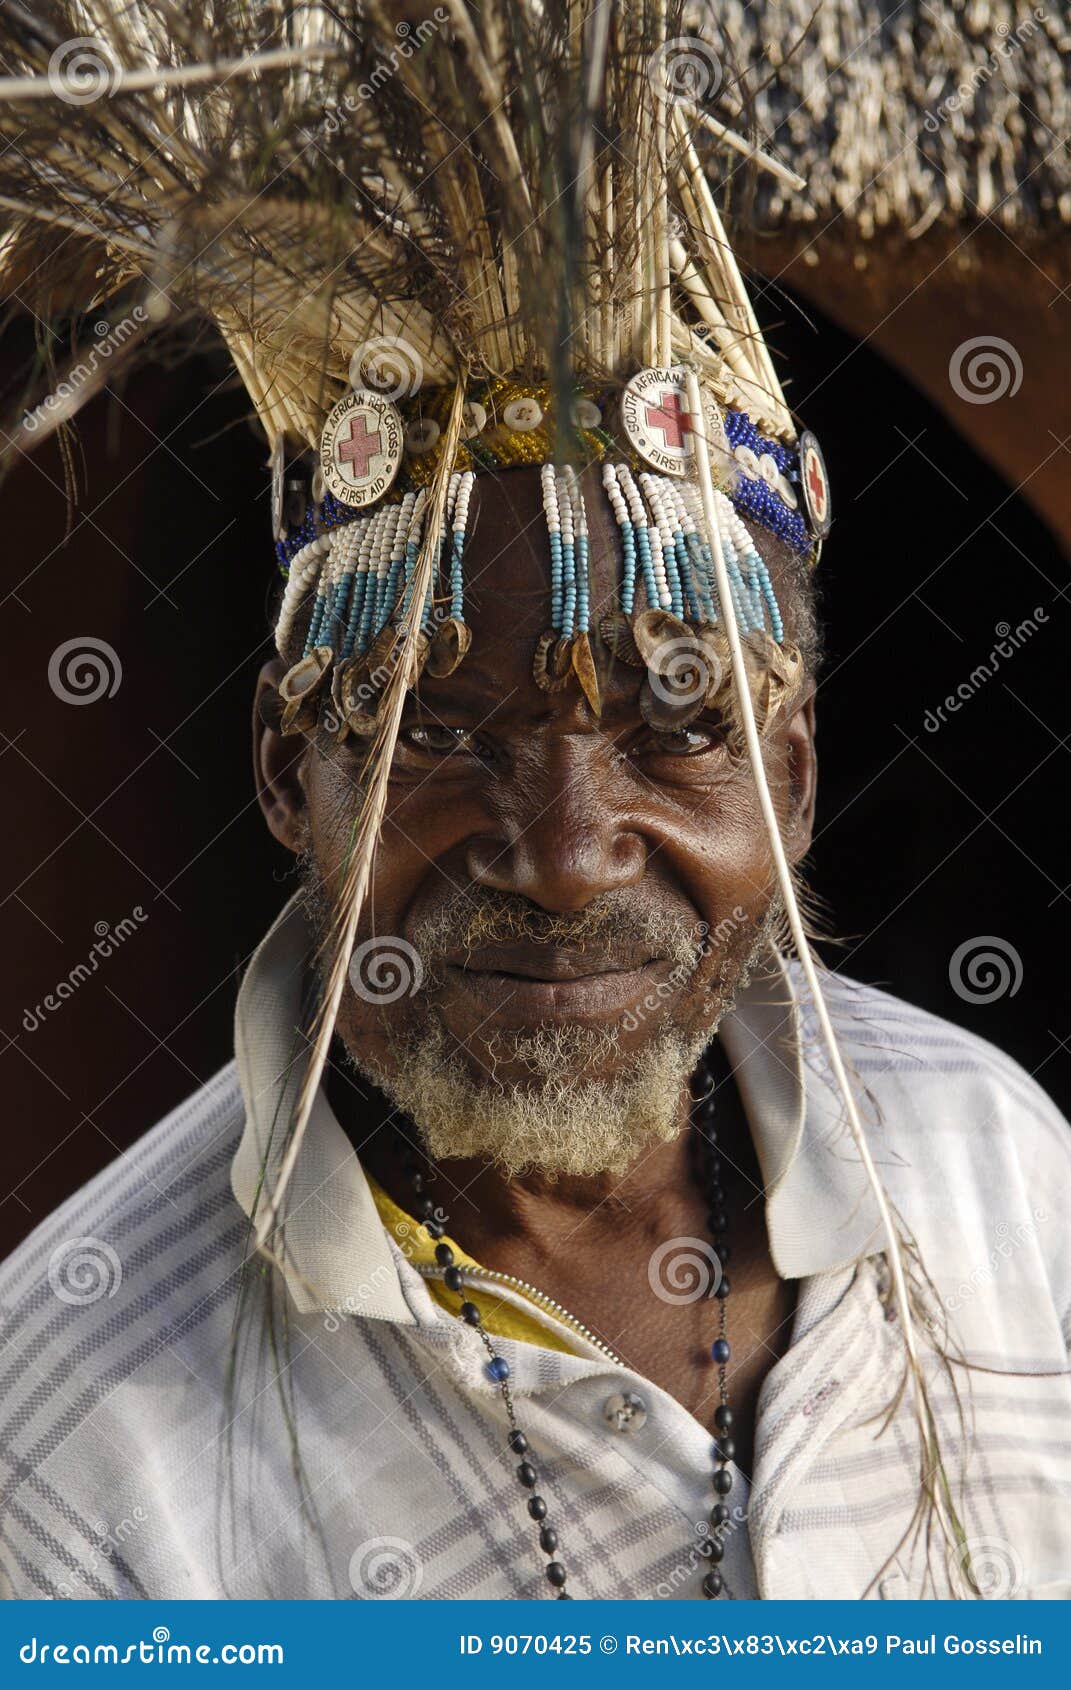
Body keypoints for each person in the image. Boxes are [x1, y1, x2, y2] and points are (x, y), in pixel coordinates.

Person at [1, 0, 1068, 1602]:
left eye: (678, 727)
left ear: (789, 772)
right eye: (439, 728)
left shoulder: (997, 1171)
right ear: (295, 774)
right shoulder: (80, 1440)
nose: (566, 857)